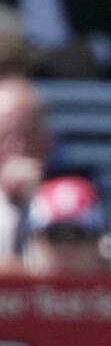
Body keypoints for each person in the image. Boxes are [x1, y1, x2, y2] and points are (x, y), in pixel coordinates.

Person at [0, 73, 49, 260]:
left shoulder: (77, 197)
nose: (19, 147)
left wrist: (40, 201)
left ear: (48, 140)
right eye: (5, 136)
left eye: (29, 135)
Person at [21, 174, 106, 274]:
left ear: (95, 244)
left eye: (76, 235)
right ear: (33, 241)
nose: (65, 249)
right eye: (54, 235)